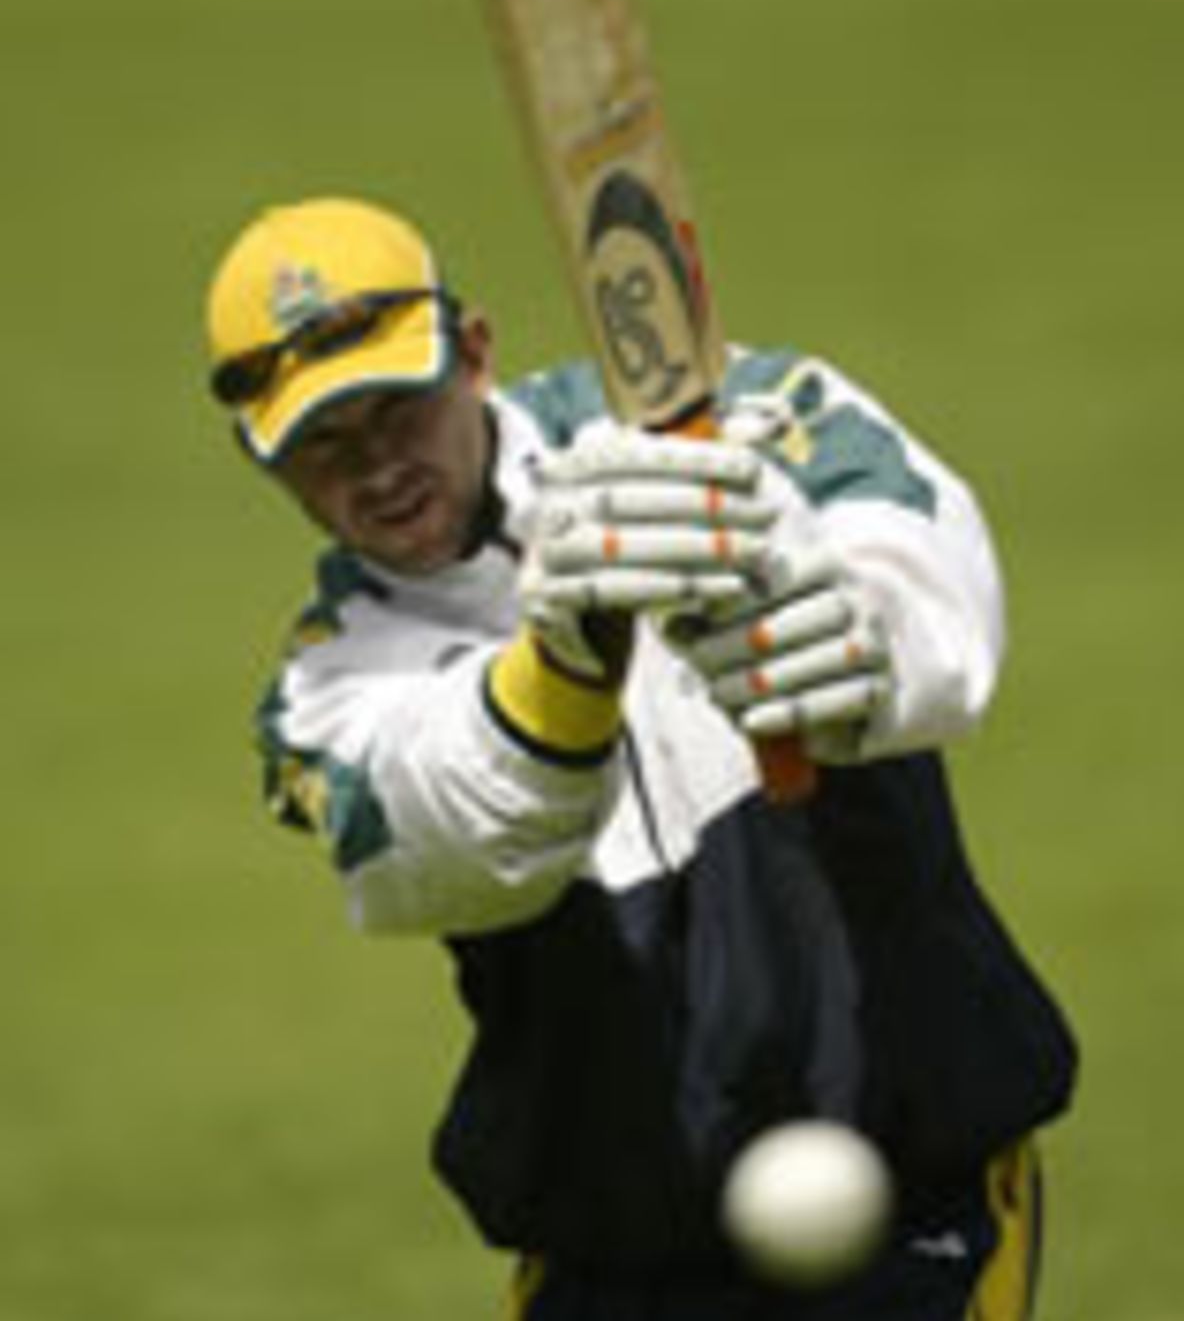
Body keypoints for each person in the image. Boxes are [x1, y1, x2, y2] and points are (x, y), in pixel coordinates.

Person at [205, 195, 1077, 1321]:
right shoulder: (331, 684)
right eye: (321, 443)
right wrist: (567, 653)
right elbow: (463, 829)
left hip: (918, 1189)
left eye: (393, 409)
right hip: (613, 1254)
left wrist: (828, 616)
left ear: (473, 356)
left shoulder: (748, 419)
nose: (374, 466)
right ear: (262, 463)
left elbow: (935, 592)